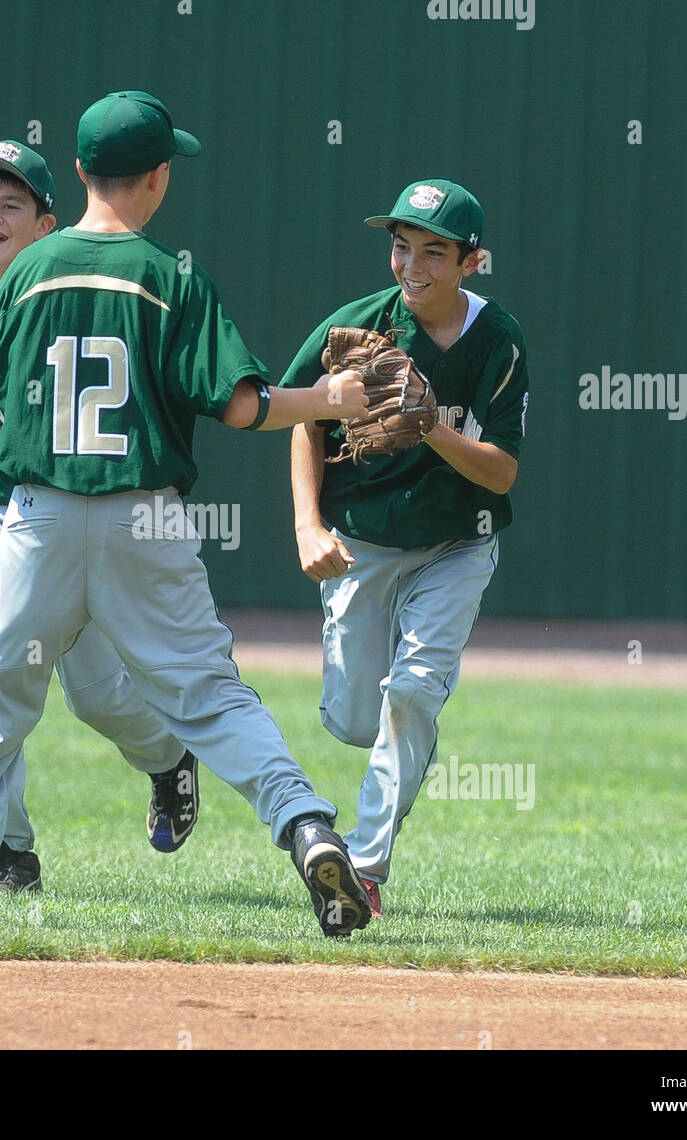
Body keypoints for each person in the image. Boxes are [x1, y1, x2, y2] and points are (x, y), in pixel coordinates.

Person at [0, 90, 374, 937]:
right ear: (159, 177)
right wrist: (329, 398)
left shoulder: (25, 278)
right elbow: (241, 406)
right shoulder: (172, 277)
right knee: (209, 697)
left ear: (81, 172)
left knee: (1, 695)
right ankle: (306, 825)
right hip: (144, 518)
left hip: (38, 514)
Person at [0, 139, 199, 921]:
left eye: (11, 204)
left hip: (76, 512)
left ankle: (169, 757)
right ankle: (7, 854)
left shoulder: (67, 299)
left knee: (97, 695)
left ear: (47, 224)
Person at [281, 179, 529, 918]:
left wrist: (431, 427)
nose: (411, 264)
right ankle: (404, 745)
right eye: (400, 246)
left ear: (471, 261)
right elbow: (302, 420)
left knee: (413, 693)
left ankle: (363, 868)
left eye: (433, 251)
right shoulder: (358, 326)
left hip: (457, 544)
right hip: (362, 541)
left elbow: (503, 469)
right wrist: (306, 525)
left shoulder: (499, 340)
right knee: (358, 719)